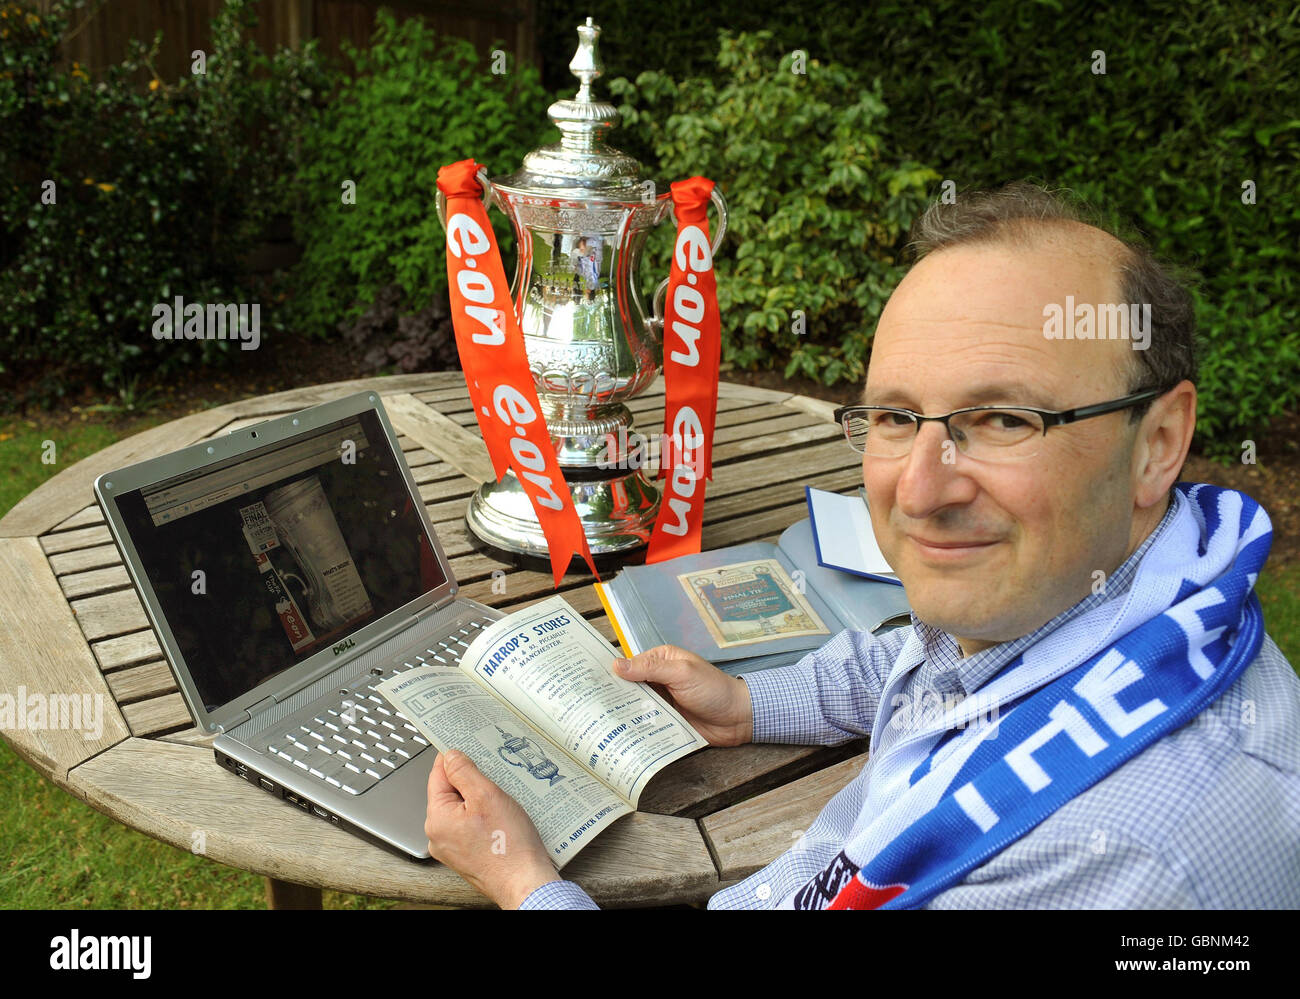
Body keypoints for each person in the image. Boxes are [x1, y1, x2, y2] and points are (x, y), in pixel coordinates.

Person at [422, 182, 1300, 909]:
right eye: (893, 417)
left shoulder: (1117, 868)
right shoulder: (1138, 597)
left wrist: (525, 880)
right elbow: (929, 667)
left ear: (1157, 442)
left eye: (1001, 418)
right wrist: (751, 702)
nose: (917, 491)